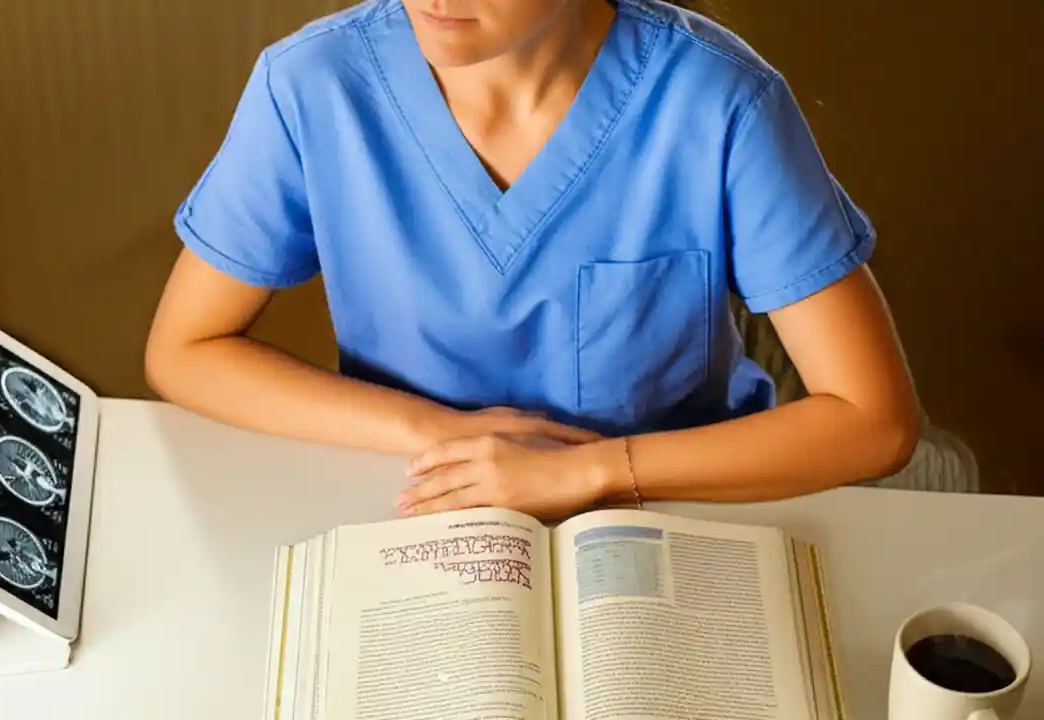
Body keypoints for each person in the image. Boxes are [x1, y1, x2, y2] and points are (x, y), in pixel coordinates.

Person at [145, 0, 920, 521]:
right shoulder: (310, 87)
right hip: (419, 507)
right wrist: (439, 434)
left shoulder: (721, 103)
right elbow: (186, 351)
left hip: (681, 509)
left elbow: (876, 422)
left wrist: (591, 471)